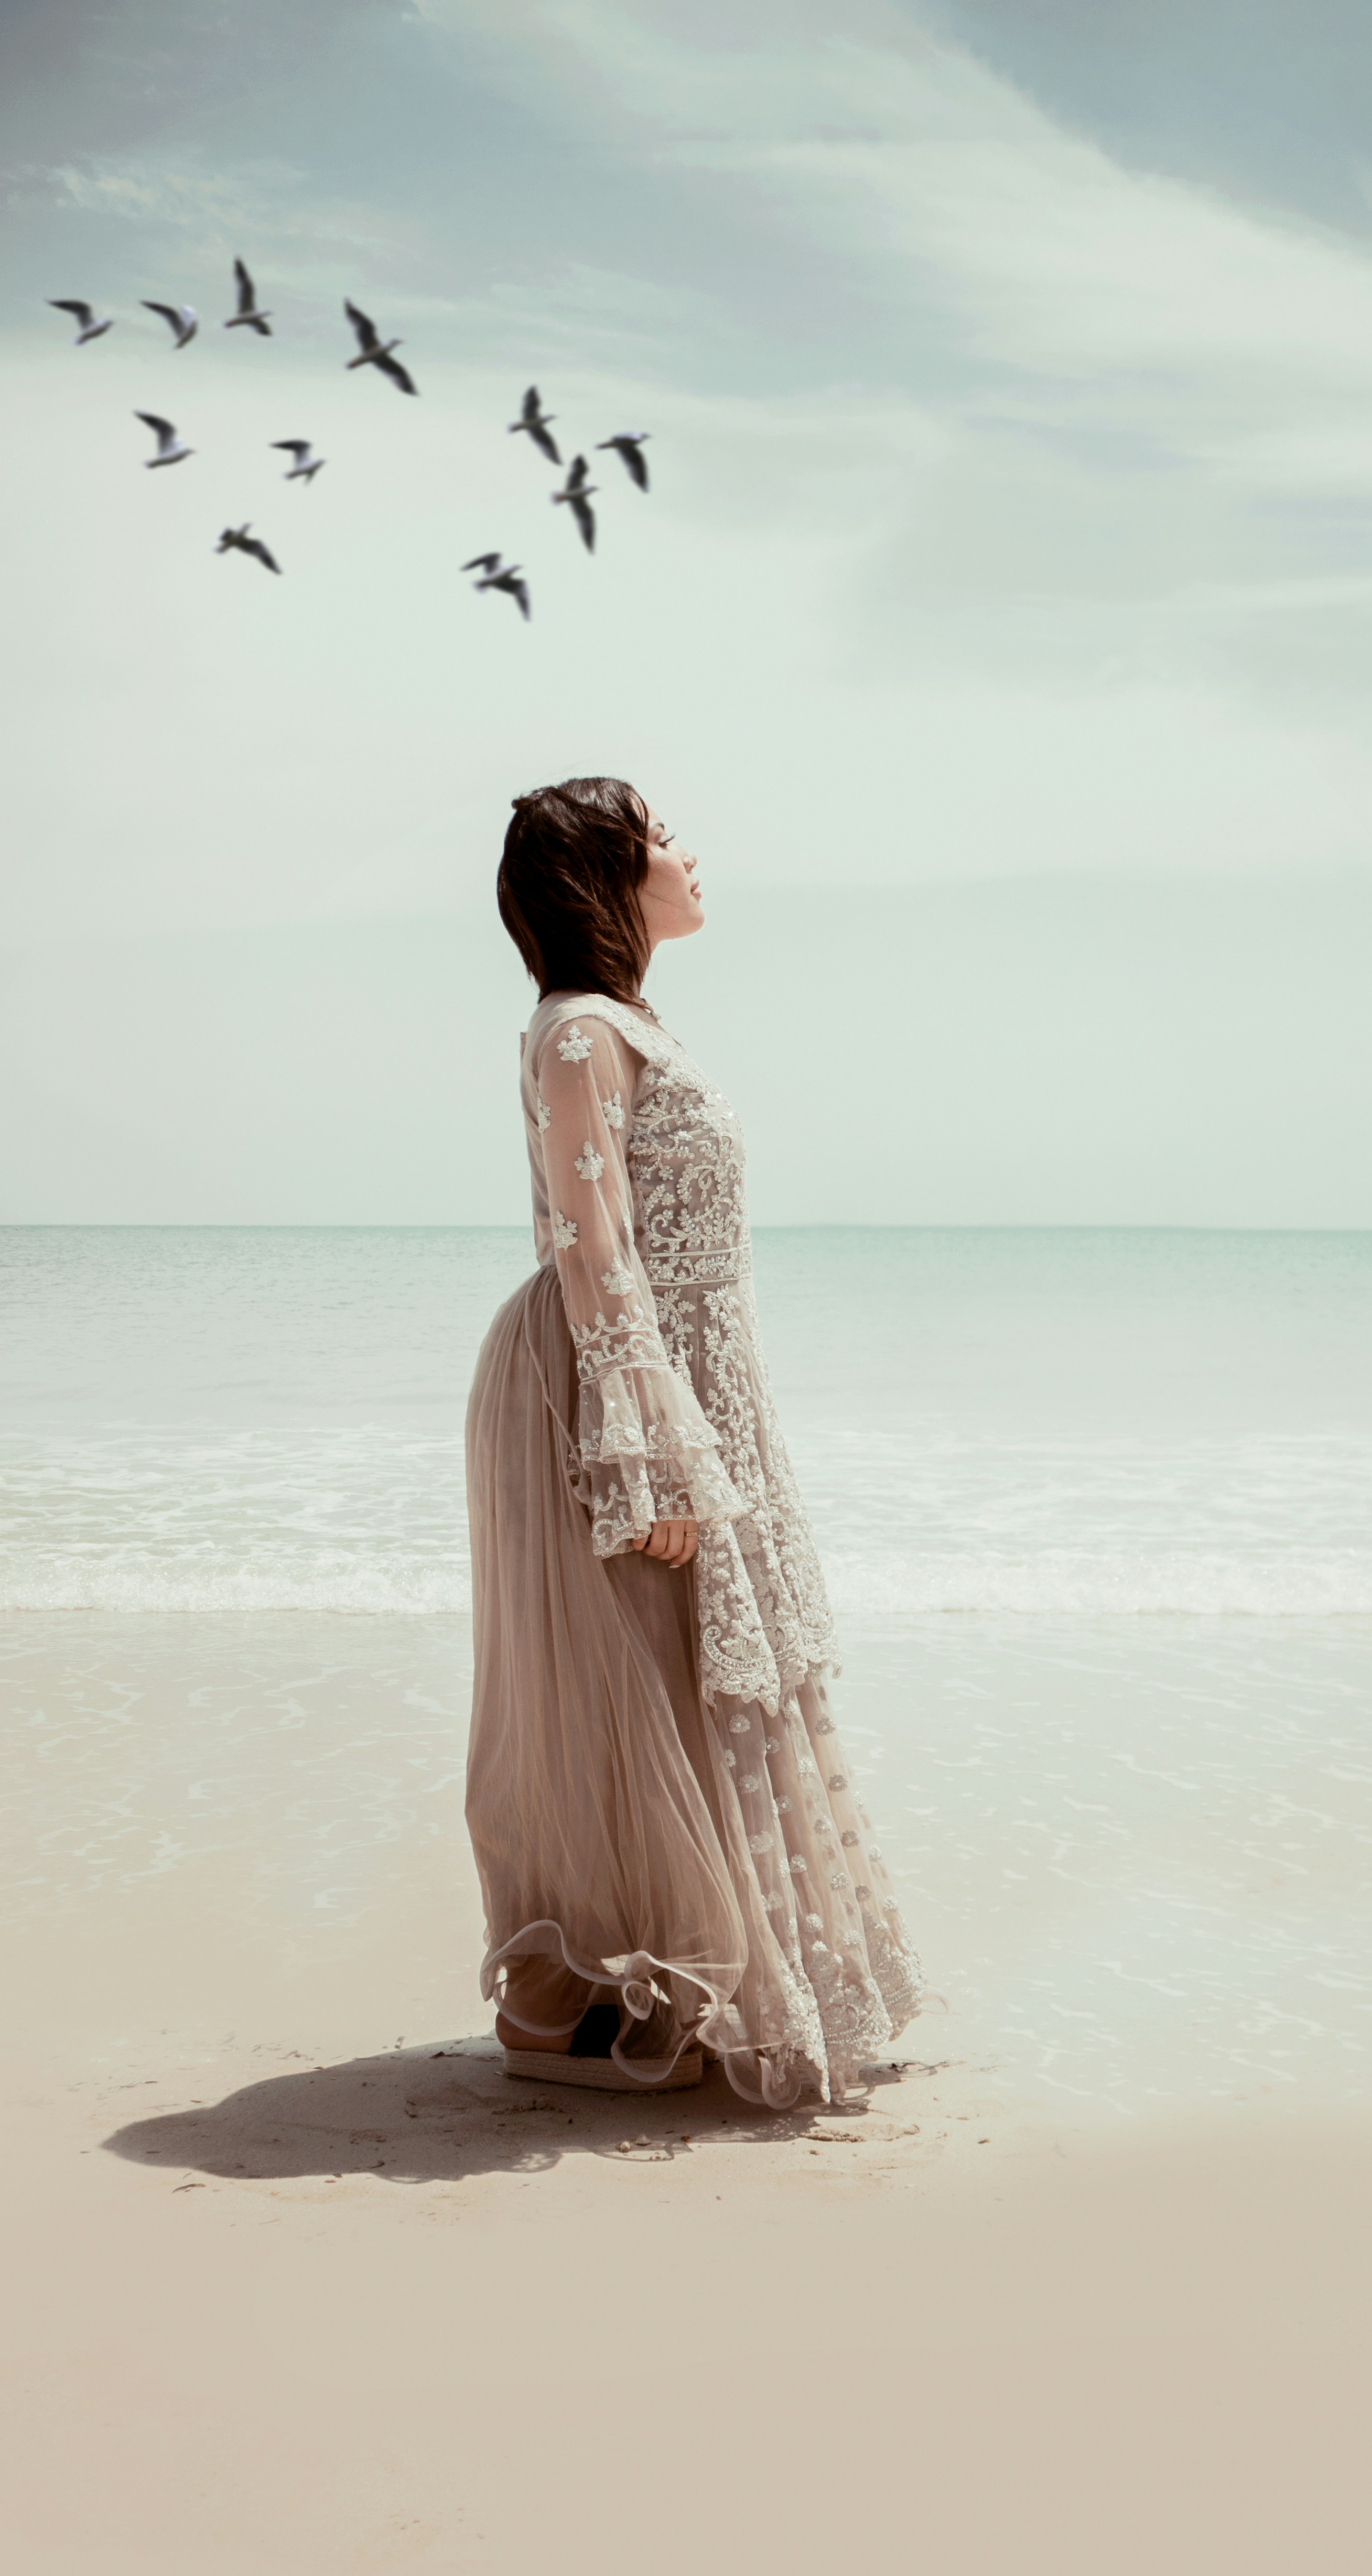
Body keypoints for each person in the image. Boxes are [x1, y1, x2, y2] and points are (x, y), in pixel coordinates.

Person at [463, 776, 925, 2105]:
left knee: (684, 1679)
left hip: (692, 1378)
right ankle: (580, 1994)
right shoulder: (578, 1032)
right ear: (605, 878)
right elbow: (593, 1250)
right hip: (621, 1390)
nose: (687, 855)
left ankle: (668, 1971)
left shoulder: (625, 1023)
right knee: (634, 1686)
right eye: (661, 838)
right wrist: (648, 1445)